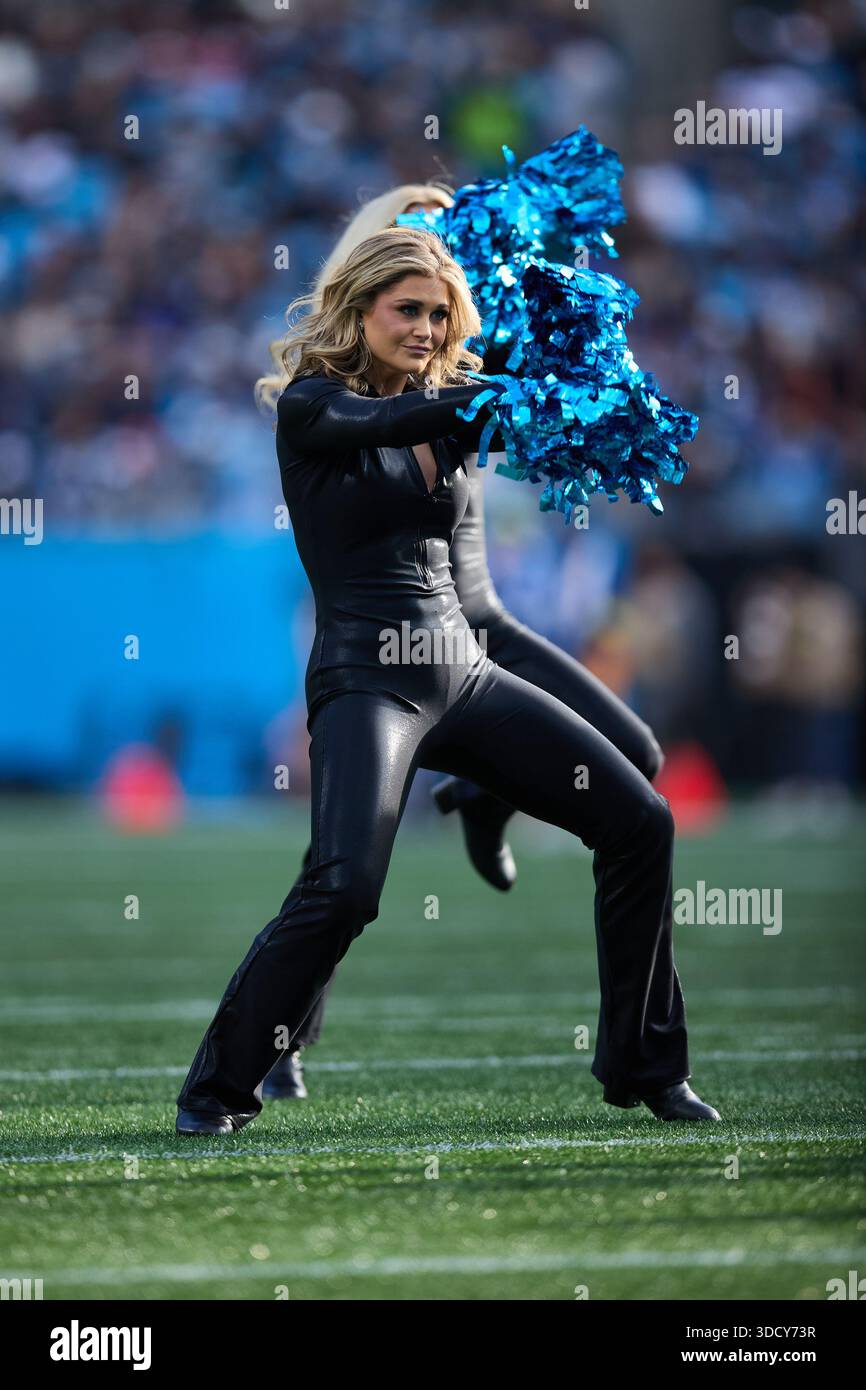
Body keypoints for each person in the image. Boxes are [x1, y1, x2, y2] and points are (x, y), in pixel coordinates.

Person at [175, 226, 719, 1134]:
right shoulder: (313, 405)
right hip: (367, 682)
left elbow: (513, 389)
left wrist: (572, 356)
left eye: (439, 314)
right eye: (407, 311)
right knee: (345, 887)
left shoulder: (454, 397)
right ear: (359, 311)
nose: (427, 328)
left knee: (639, 820)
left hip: (462, 673)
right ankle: (218, 1089)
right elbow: (392, 421)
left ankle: (646, 1068)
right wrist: (497, 386)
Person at [262, 185, 669, 1102]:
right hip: (398, 638)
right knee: (345, 858)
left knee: (636, 762)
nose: (427, 308)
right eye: (410, 244)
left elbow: (561, 363)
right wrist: (388, 215)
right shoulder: (361, 386)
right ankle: (280, 1030)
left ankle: (483, 794)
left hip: (480, 628)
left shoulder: (456, 341)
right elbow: (375, 312)